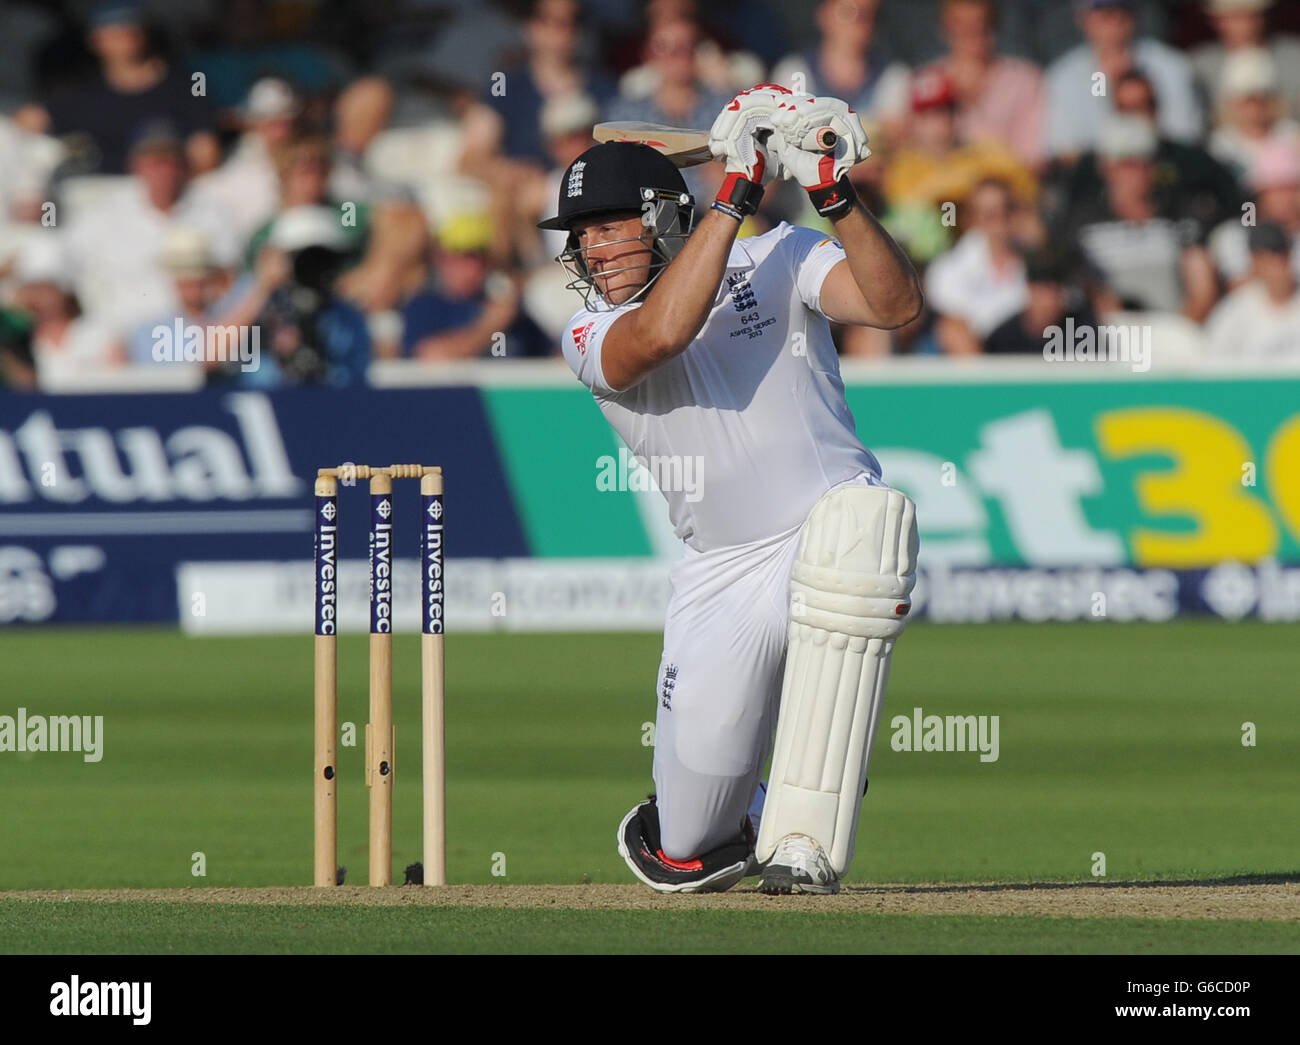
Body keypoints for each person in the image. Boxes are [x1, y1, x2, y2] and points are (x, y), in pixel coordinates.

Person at [539, 85, 921, 894]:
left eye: (607, 227)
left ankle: (803, 839)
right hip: (722, 571)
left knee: (864, 529)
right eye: (581, 236)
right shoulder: (587, 332)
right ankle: (742, 810)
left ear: (658, 217)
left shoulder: (779, 253)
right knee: (688, 842)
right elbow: (666, 332)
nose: (591, 250)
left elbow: (894, 305)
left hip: (828, 522)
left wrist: (831, 193)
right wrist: (736, 188)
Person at [1204, 221, 1300, 357]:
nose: (1276, 265)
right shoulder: (1235, 310)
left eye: (1281, 255)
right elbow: (1212, 361)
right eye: (1266, 258)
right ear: (1254, 262)